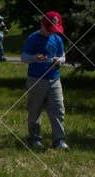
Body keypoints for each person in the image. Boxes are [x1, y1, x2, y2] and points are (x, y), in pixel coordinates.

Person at [22, 10, 68, 150]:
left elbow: (63, 57)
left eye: (54, 29)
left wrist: (58, 61)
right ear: (42, 25)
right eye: (49, 29)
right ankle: (35, 138)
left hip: (54, 79)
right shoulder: (33, 38)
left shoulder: (57, 39)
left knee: (58, 109)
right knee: (35, 109)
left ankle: (59, 140)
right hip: (36, 79)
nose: (52, 32)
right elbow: (24, 57)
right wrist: (35, 58)